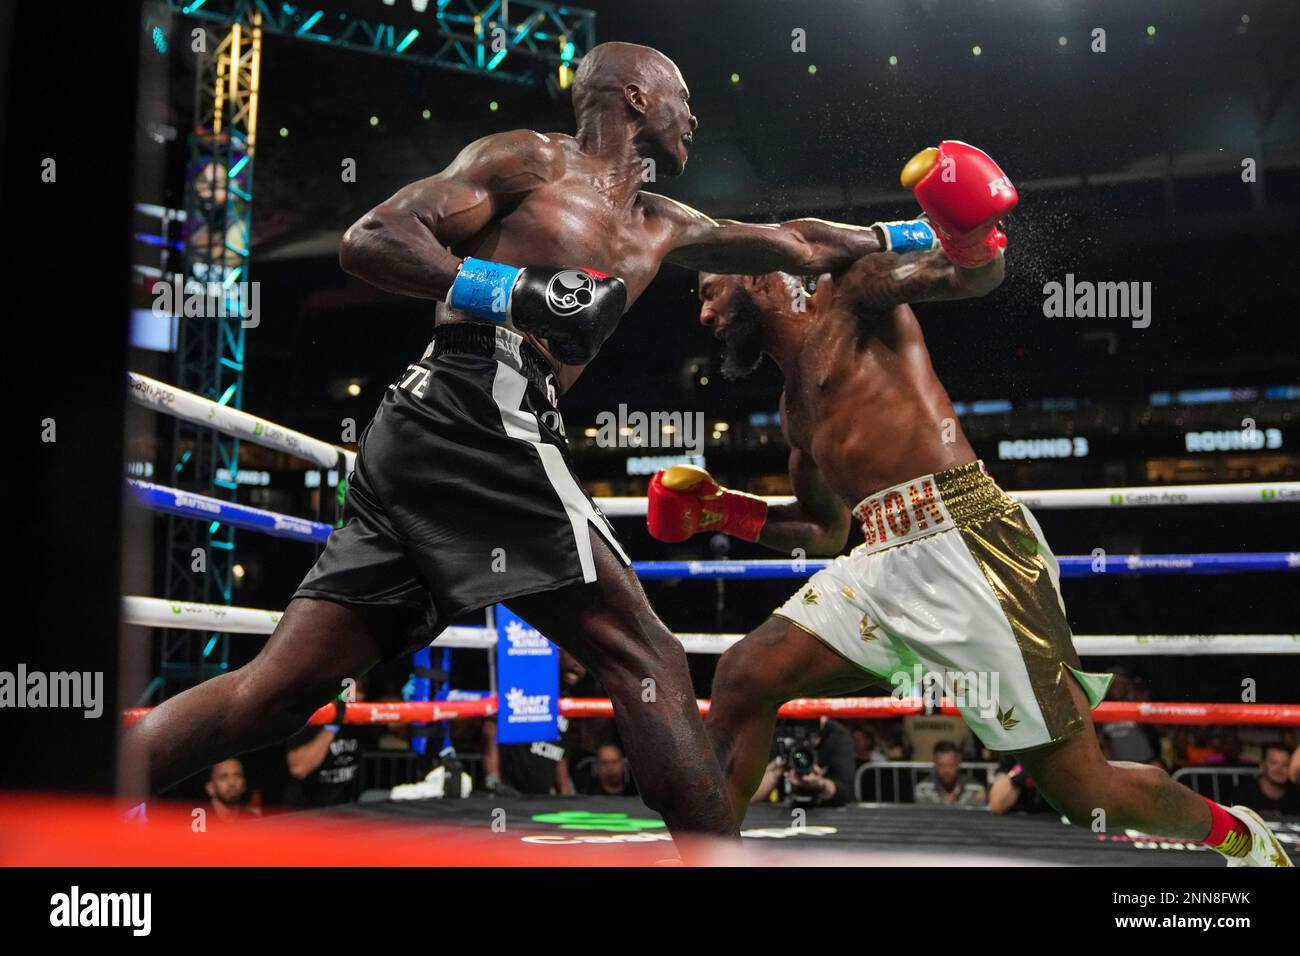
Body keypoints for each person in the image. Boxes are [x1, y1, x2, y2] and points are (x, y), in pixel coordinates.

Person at [121, 41, 913, 843]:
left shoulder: (666, 225)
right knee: (649, 660)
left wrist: (914, 232)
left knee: (276, 695)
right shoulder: (531, 162)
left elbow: (800, 244)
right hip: (474, 403)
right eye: (681, 96)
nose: (695, 116)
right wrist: (516, 288)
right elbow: (374, 234)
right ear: (636, 97)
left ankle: (62, 785)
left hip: (438, 436)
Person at [653, 140, 1291, 865]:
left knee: (1084, 791)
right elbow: (826, 529)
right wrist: (721, 512)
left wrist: (969, 230)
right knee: (744, 674)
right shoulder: (793, 412)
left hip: (970, 543)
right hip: (879, 560)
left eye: (708, 290)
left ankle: (1242, 837)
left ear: (759, 277)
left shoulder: (851, 290)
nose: (703, 316)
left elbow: (968, 277)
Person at [482, 650, 586, 795]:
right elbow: (490, 731)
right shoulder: (528, 685)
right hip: (509, 790)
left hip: (540, 799)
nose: (578, 665)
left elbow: (558, 753)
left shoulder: (566, 703)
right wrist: (493, 782)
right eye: (573, 656)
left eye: (584, 661)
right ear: (557, 654)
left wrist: (565, 793)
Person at [751, 717, 855, 808]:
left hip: (825, 811)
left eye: (812, 722)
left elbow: (846, 792)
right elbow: (749, 798)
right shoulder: (779, 736)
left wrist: (820, 784)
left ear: (824, 717)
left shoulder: (837, 737)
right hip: (780, 811)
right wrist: (776, 770)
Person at [1231, 743, 1300, 821]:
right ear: (1262, 765)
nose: (1279, 769)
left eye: (1285, 764)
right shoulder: (1244, 792)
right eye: (1273, 763)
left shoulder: (1296, 794)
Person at [914, 741, 987, 807]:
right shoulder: (923, 788)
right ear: (935, 765)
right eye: (941, 765)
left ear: (958, 764)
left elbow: (977, 817)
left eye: (950, 765)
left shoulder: (975, 788)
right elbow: (925, 817)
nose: (946, 770)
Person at [204, 758, 259, 823]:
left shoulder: (253, 821)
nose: (232, 783)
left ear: (244, 784)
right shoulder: (198, 824)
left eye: (237, 776)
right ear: (210, 788)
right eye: (223, 777)